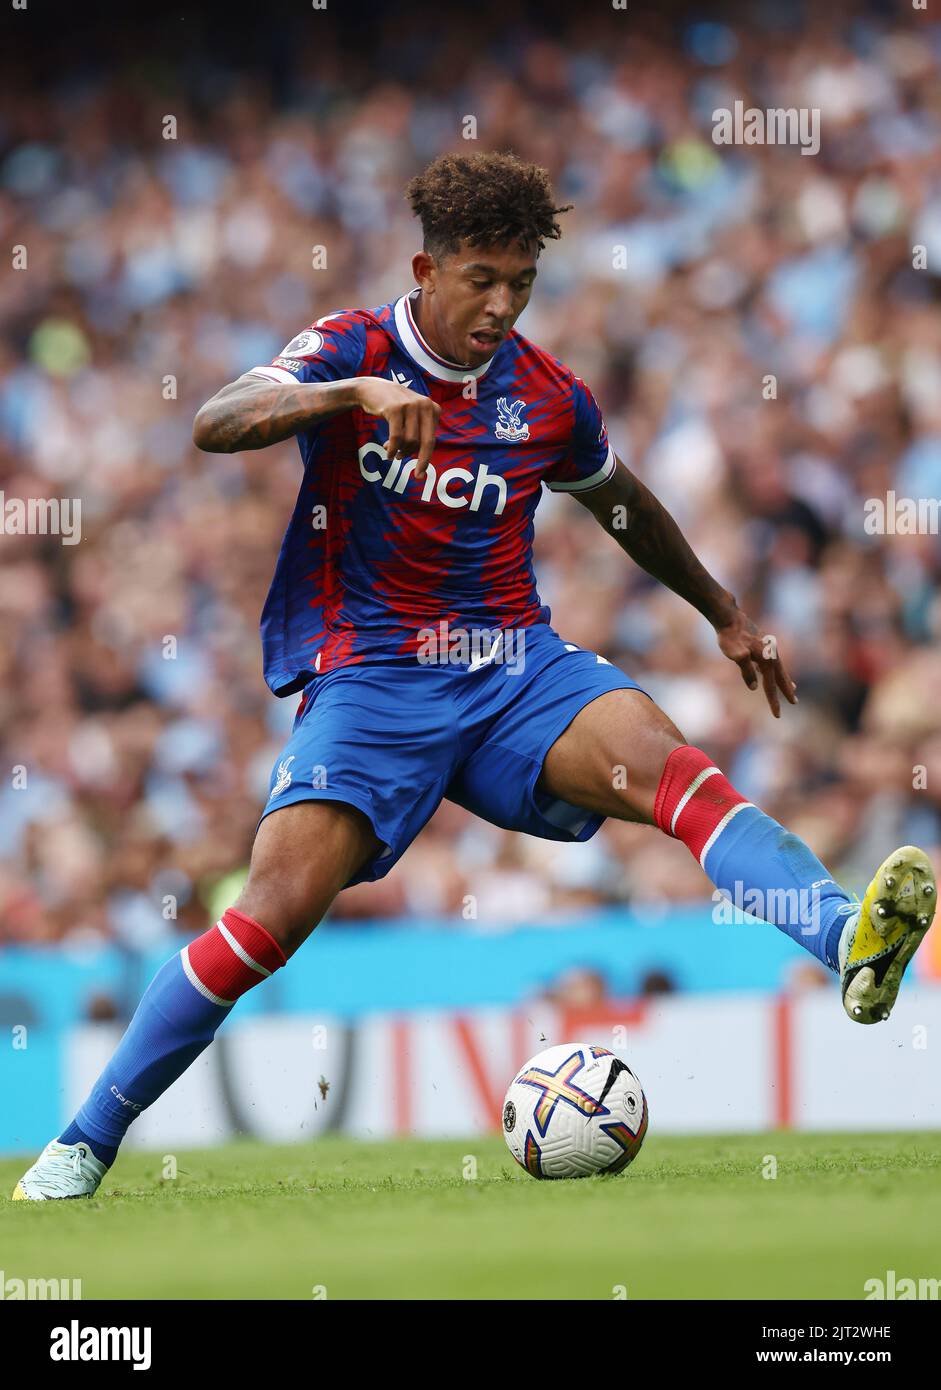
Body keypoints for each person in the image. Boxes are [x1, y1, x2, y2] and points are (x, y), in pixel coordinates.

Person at [14, 152, 935, 1200]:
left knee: (672, 766)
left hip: (510, 666)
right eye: (481, 281)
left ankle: (844, 938)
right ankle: (84, 1140)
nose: (502, 307)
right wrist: (348, 396)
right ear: (426, 268)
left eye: (521, 285)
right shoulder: (351, 346)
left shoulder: (545, 397)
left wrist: (724, 612)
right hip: (372, 678)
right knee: (268, 915)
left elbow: (620, 502)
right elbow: (215, 419)